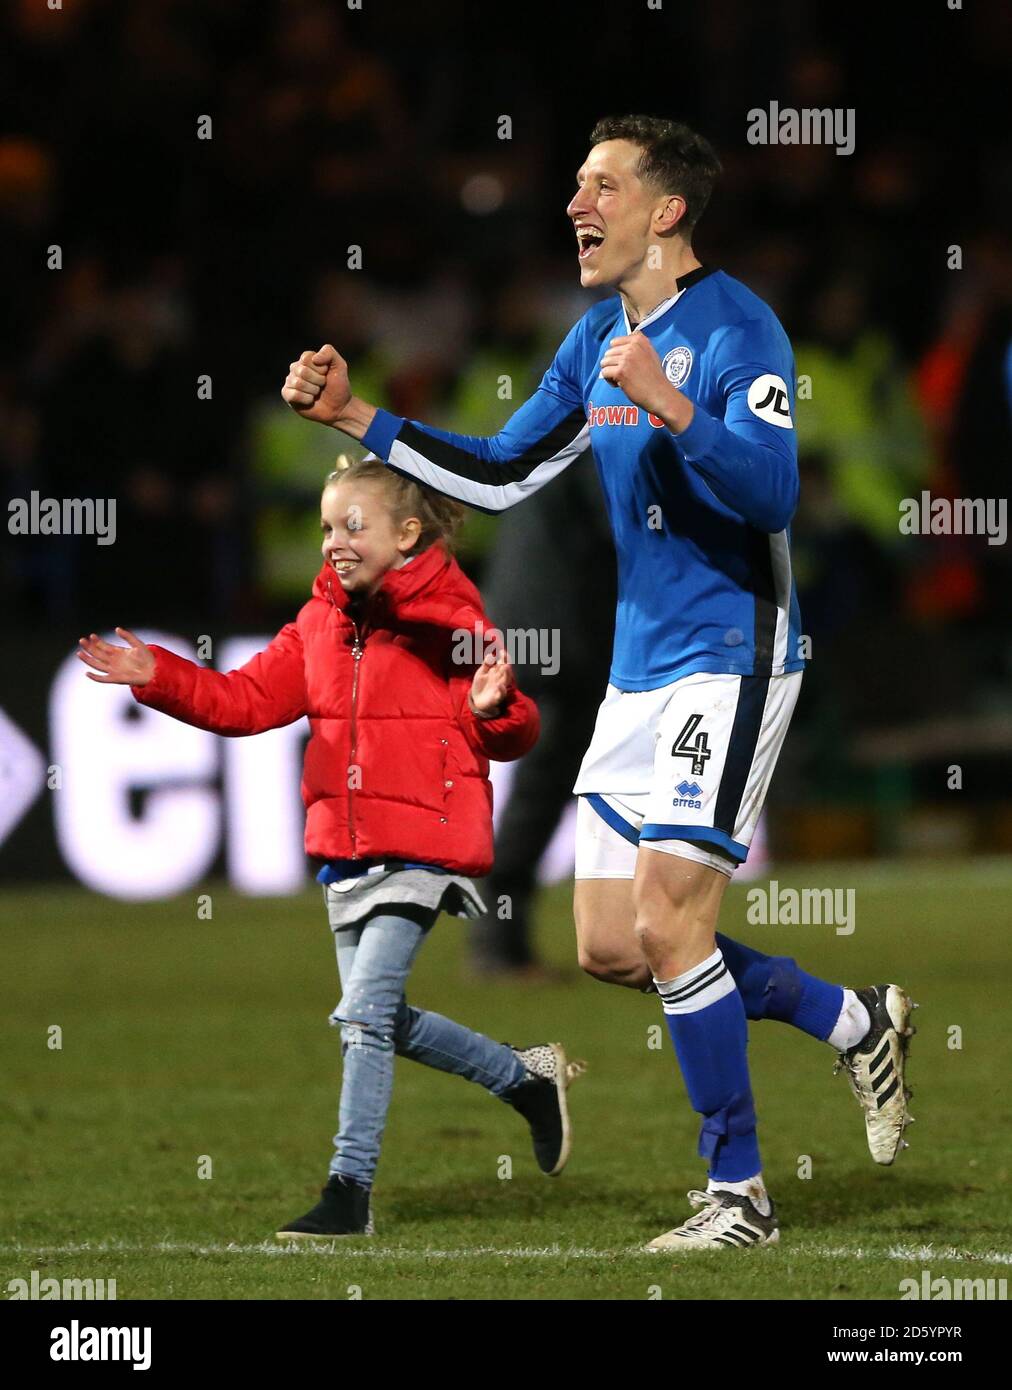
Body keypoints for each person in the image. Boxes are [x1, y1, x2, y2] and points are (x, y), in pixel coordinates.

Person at [280, 116, 914, 1250]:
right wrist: (358, 418)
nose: (577, 203)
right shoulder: (593, 339)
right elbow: (507, 470)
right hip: (636, 667)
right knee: (611, 945)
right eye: (576, 183)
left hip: (732, 654)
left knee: (673, 926)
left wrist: (671, 402)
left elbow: (771, 495)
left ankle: (740, 1199)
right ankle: (852, 1017)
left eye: (601, 185)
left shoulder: (737, 329)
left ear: (664, 211)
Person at [77, 456, 585, 1240]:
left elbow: (513, 731)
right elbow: (245, 703)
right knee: (376, 1019)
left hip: (424, 846)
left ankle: (348, 1194)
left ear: (407, 533)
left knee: (366, 1013)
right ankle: (523, 1080)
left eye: (354, 525)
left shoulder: (452, 615)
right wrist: (160, 675)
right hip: (346, 851)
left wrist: (497, 707)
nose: (335, 542)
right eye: (325, 527)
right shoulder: (318, 620)